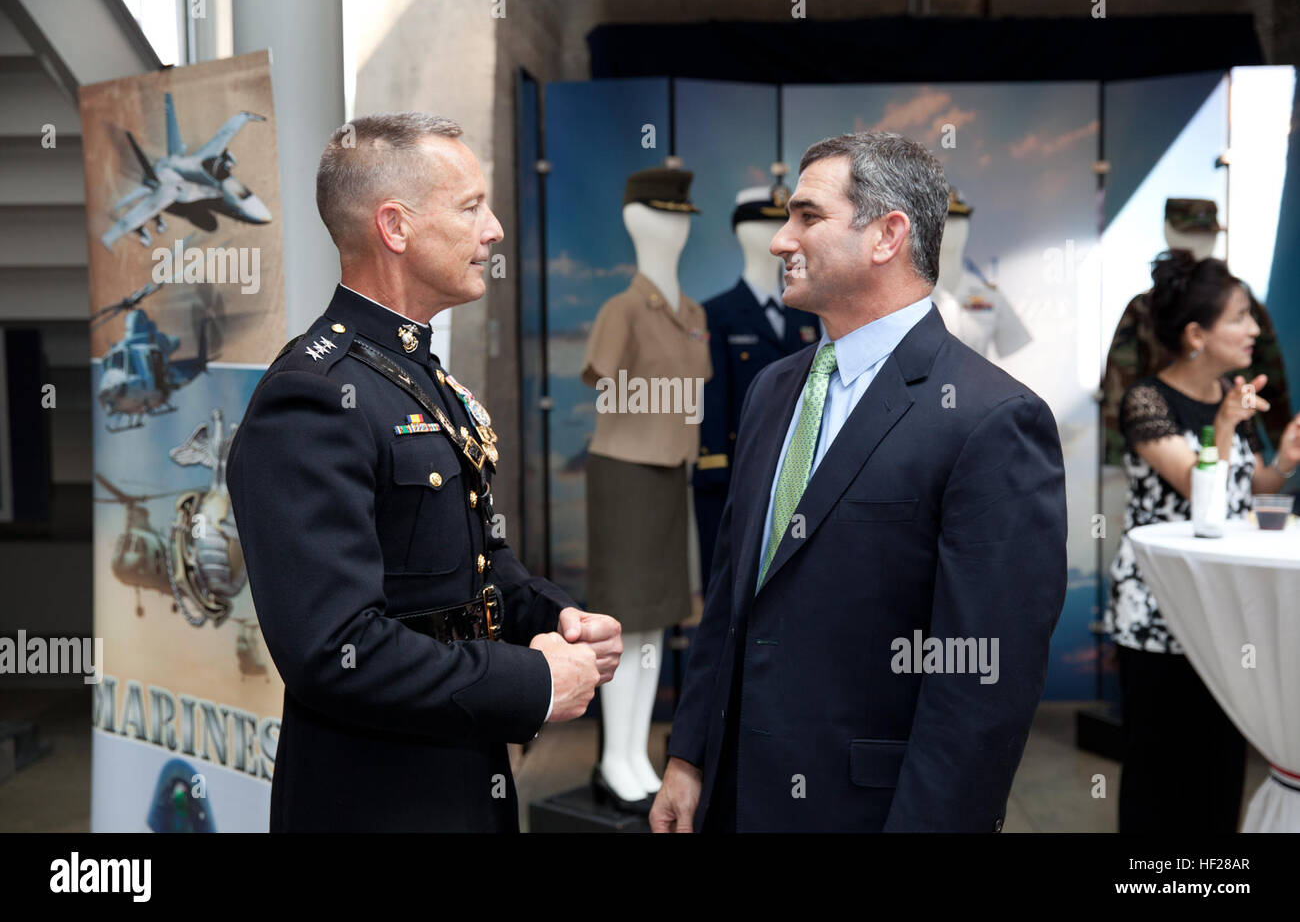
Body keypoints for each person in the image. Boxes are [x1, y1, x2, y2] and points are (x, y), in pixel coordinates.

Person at [650, 131, 1069, 833]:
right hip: (730, 798)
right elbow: (731, 596)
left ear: (886, 236)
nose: (782, 241)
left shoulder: (993, 420)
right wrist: (689, 757)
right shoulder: (771, 390)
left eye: (807, 217)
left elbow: (981, 684)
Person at [226, 113, 622, 831]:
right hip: (379, 798)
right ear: (395, 228)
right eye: (471, 207)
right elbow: (334, 649)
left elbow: (465, 555)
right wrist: (530, 681)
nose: (495, 229)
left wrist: (553, 615)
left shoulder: (414, 375)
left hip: (464, 768)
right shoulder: (312, 395)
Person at [1105, 249, 1300, 833]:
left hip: (1226, 612)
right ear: (1196, 334)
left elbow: (1246, 488)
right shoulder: (1147, 400)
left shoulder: (1231, 397)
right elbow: (1199, 489)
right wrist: (1224, 426)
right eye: (1239, 317)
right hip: (1160, 612)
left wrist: (1283, 463)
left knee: (1219, 764)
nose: (1254, 330)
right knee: (1160, 767)